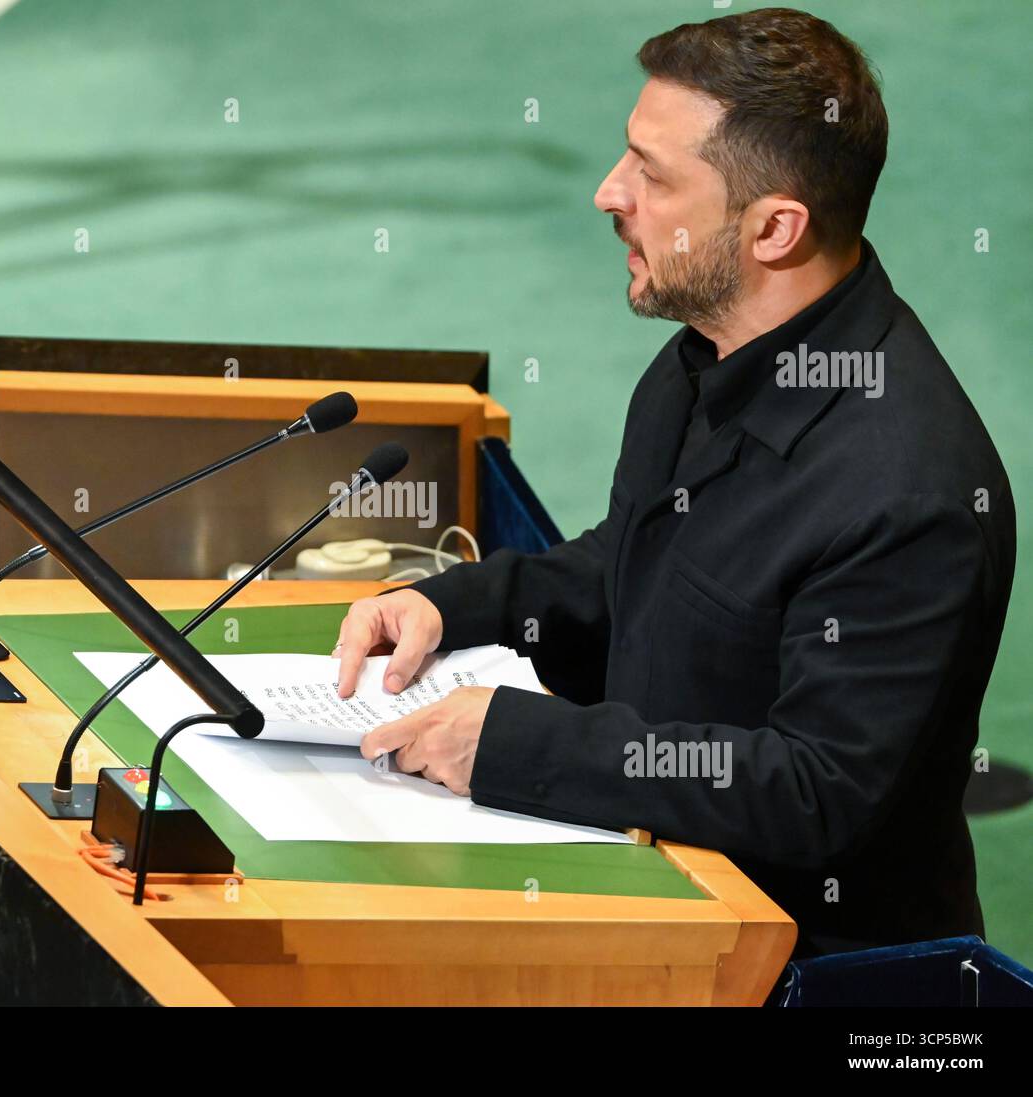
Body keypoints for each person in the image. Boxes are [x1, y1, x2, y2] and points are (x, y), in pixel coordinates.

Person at [332, 7, 1016, 958]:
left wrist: (524, 746)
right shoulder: (708, 357)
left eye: (653, 176)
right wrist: (456, 605)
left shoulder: (908, 489)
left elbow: (817, 791)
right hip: (661, 903)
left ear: (775, 228)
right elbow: (643, 561)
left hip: (806, 978)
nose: (610, 192)